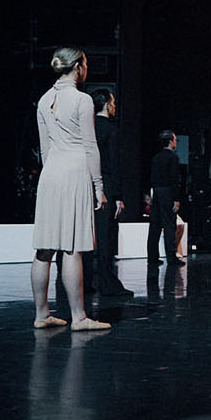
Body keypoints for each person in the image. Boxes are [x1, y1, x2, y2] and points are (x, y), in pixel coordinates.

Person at [28, 48, 109, 331]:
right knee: (72, 248)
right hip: (74, 171)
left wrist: (52, 175)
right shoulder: (82, 100)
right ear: (77, 67)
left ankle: (41, 314)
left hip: (51, 173)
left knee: (44, 249)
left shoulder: (44, 99)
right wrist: (98, 186)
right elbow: (90, 146)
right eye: (85, 63)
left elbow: (45, 148)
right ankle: (79, 317)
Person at [89, 88, 132, 300]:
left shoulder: (87, 127)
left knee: (86, 235)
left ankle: (85, 281)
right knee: (105, 237)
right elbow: (115, 164)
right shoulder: (111, 130)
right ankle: (108, 284)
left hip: (86, 183)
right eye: (113, 102)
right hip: (105, 185)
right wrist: (118, 196)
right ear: (107, 104)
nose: (115, 106)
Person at [148, 130, 183, 271]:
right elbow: (175, 179)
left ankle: (152, 257)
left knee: (155, 225)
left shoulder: (156, 158)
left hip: (156, 192)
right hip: (168, 192)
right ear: (170, 141)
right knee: (169, 225)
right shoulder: (172, 158)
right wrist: (176, 198)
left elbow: (151, 177)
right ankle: (171, 257)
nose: (175, 142)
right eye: (174, 140)